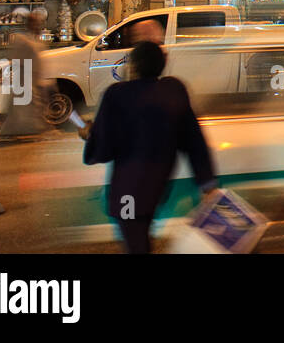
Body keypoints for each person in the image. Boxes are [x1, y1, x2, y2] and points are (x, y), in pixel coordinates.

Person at [82, 41, 217, 254]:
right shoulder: (173, 91)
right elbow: (194, 142)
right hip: (158, 186)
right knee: (140, 235)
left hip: (128, 192)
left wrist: (90, 135)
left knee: (135, 240)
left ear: (134, 66)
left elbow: (104, 149)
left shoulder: (117, 95)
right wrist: (207, 183)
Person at [0, 7, 52, 140]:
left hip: (31, 79)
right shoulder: (23, 40)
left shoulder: (35, 41)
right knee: (22, 108)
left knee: (26, 108)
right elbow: (16, 60)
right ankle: (11, 133)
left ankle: (21, 132)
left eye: (39, 24)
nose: (39, 26)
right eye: (36, 24)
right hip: (24, 79)